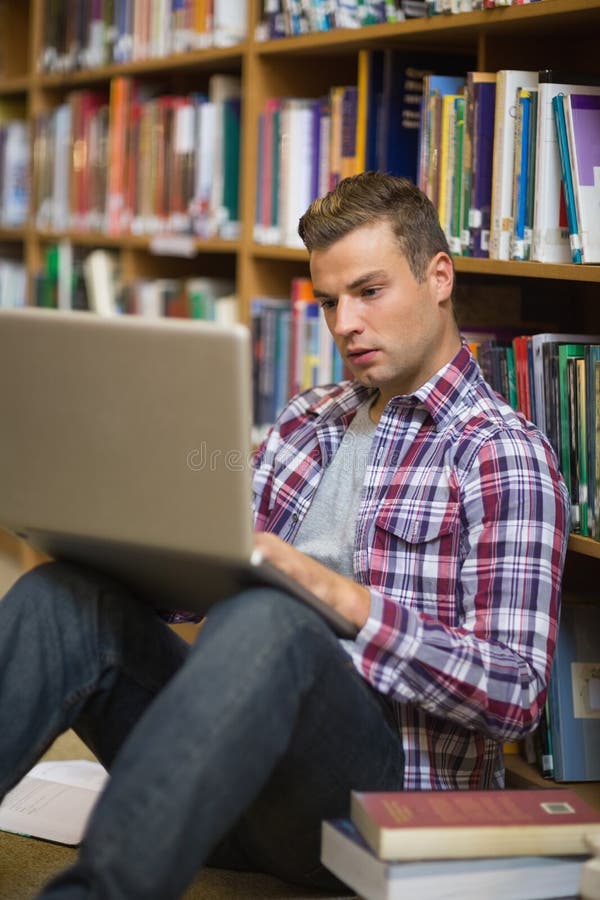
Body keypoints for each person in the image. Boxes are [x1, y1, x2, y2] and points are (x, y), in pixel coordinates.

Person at [0, 172, 569, 899]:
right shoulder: (311, 418)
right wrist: (119, 536)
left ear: (438, 278)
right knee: (61, 597)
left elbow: (515, 688)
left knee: (274, 616)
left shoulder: (501, 453)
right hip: (227, 779)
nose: (344, 325)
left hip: (369, 811)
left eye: (369, 292)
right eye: (329, 302)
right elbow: (202, 587)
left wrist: (337, 597)